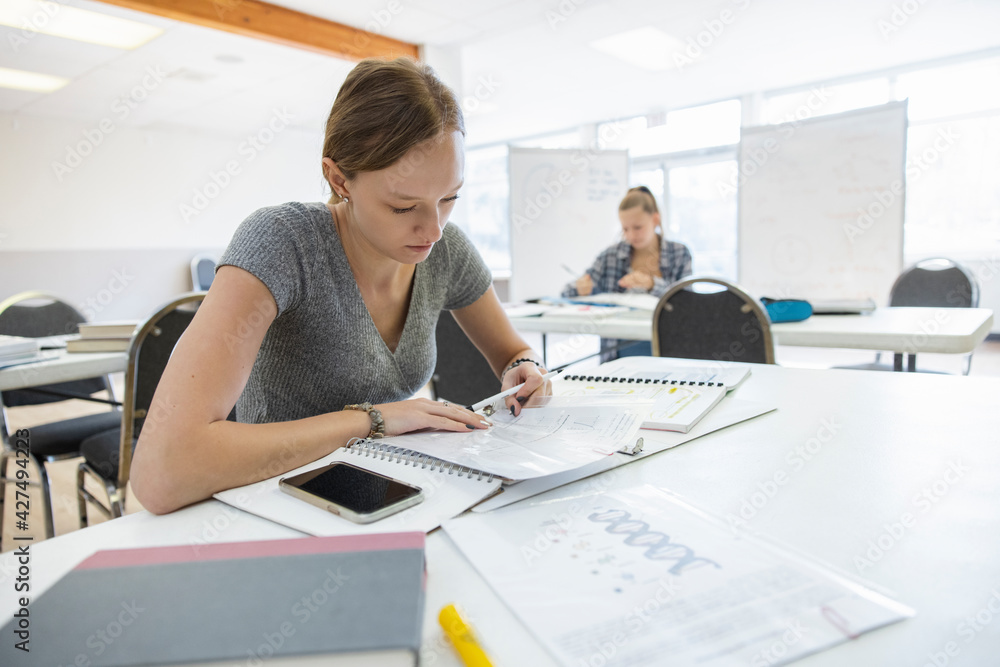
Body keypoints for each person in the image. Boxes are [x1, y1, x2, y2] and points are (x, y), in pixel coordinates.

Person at [131, 58, 547, 515]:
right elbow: (162, 472)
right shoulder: (282, 242)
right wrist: (373, 420)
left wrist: (524, 366)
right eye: (402, 206)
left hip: (385, 492)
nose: (434, 229)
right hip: (276, 503)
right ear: (339, 179)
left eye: (449, 198)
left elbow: (512, 351)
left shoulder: (446, 251)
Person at [561, 186, 692, 357]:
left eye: (638, 227)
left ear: (655, 219)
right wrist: (580, 288)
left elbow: (688, 305)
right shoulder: (610, 256)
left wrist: (652, 285)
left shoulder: (679, 253)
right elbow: (566, 293)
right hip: (616, 353)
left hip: (668, 349)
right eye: (625, 229)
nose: (631, 235)